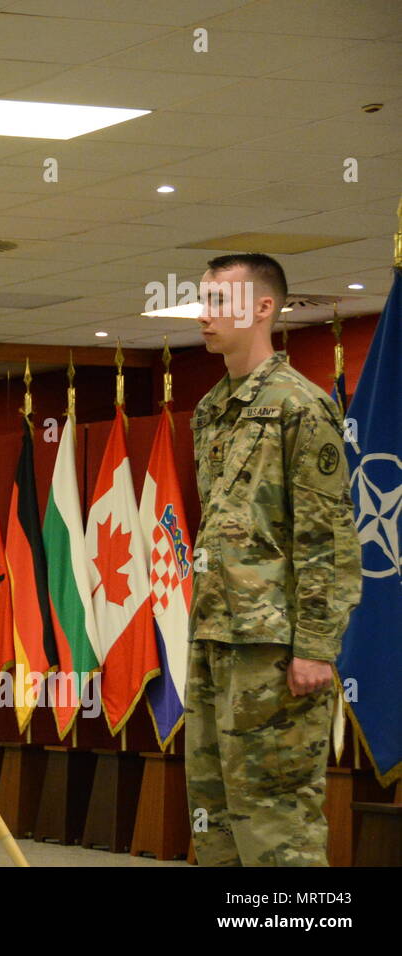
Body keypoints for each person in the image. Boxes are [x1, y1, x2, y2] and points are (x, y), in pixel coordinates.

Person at [186, 252, 362, 866]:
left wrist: (316, 644)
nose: (204, 315)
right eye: (202, 300)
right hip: (214, 636)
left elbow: (329, 538)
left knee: (275, 817)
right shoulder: (211, 410)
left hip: (275, 644)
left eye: (218, 301)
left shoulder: (299, 406)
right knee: (214, 816)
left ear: (263, 308)